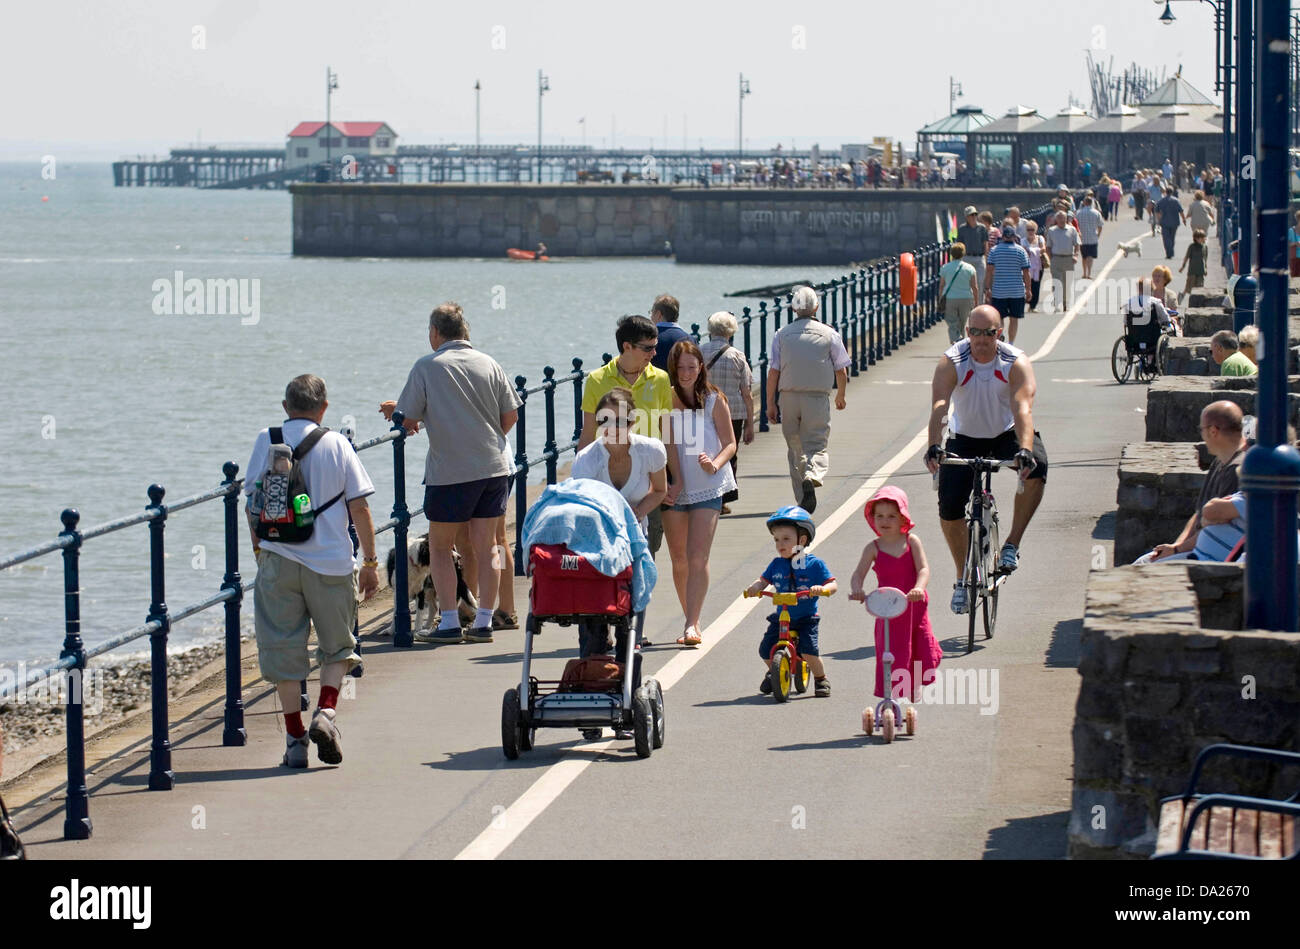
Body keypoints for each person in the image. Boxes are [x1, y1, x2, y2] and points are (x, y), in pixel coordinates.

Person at [246, 374, 380, 768]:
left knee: (284, 650)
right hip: (331, 563)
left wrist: (260, 551)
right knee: (338, 646)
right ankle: (325, 713)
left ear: (286, 407)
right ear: (324, 408)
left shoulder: (266, 440)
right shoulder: (337, 443)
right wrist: (370, 563)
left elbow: (251, 504)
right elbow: (360, 508)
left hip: (278, 561)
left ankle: (293, 741)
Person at [385, 302, 521, 645]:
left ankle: (448, 622)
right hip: (493, 466)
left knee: (441, 546)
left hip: (450, 472)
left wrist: (397, 414)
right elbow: (510, 417)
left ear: (435, 333)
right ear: (465, 331)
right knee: (488, 544)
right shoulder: (489, 363)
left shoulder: (427, 366)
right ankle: (485, 620)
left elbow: (409, 419)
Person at [924, 306, 1048, 614]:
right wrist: (934, 446)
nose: (981, 340)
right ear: (967, 332)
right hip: (964, 436)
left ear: (999, 334)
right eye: (975, 332)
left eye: (989, 333)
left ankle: (1011, 544)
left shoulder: (1014, 361)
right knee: (950, 507)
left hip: (1005, 432)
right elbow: (940, 404)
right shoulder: (953, 359)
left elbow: (1023, 409)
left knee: (1038, 468)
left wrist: (1025, 450)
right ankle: (962, 578)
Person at [579, 314, 676, 555]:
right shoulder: (596, 380)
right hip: (607, 476)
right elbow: (588, 432)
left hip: (650, 481)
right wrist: (577, 482)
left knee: (647, 550)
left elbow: (668, 433)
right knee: (607, 551)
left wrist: (675, 479)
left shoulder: (661, 378)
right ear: (627, 347)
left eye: (656, 347)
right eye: (648, 348)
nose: (654, 353)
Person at [662, 340, 736, 646]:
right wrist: (675, 480)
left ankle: (692, 623)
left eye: (691, 367)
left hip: (708, 485)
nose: (686, 373)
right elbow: (666, 444)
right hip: (674, 485)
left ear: (701, 367)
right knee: (678, 558)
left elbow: (729, 443)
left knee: (697, 556)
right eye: (680, 368)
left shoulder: (713, 398)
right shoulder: (665, 399)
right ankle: (689, 615)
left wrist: (715, 464)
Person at [848, 486, 941, 702]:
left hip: (914, 603)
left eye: (891, 516)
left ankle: (914, 682)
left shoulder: (911, 541)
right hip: (887, 608)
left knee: (920, 645)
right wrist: (857, 590)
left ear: (902, 517)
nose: (885, 521)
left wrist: (919, 587)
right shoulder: (873, 547)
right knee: (890, 650)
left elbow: (923, 569)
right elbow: (858, 574)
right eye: (879, 516)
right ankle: (891, 692)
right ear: (873, 519)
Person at [766, 285, 850, 513]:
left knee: (795, 447)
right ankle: (812, 475)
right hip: (816, 396)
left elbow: (773, 370)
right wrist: (840, 395)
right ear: (816, 307)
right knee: (816, 444)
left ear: (793, 308)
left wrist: (770, 403)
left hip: (788, 397)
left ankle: (802, 498)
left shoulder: (781, 334)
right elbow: (841, 368)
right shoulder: (829, 333)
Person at [1130, 402, 1247, 563]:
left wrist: (1178, 549)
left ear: (1213, 431)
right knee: (1142, 563)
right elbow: (1200, 514)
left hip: (1211, 558)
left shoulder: (1237, 470)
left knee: (1142, 569)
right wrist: (1176, 545)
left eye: (1202, 429)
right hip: (1194, 548)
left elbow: (1215, 522)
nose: (1202, 435)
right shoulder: (1220, 460)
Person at [745, 506, 836, 697]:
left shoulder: (814, 564)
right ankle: (775, 671)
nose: (780, 544)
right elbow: (763, 580)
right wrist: (755, 588)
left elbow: (832, 584)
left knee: (809, 651)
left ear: (802, 540)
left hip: (805, 618)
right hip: (782, 617)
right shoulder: (776, 563)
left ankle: (821, 678)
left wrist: (823, 589)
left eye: (786, 539)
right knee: (765, 649)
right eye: (776, 539)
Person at [698, 310, 755, 513]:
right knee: (729, 453)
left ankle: (707, 494)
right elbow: (746, 392)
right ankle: (722, 500)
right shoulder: (737, 356)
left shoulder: (699, 352)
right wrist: (751, 422)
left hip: (705, 410)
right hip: (733, 412)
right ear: (731, 332)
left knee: (706, 451)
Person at [984, 224, 1031, 345]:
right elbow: (1026, 273)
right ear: (1014, 237)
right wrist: (1028, 290)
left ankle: (1001, 340)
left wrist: (987, 288)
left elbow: (989, 271)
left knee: (999, 318)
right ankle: (1011, 343)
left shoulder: (994, 251)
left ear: (1003, 237)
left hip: (999, 291)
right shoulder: (1021, 251)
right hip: (1017, 291)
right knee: (1014, 319)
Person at [938, 241, 980, 343]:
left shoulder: (945, 268)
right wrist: (976, 302)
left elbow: (941, 285)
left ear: (951, 253)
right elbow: (974, 287)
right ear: (963, 253)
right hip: (966, 298)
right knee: (962, 322)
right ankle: (961, 344)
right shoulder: (970, 268)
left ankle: (956, 341)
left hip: (950, 298)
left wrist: (940, 299)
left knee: (952, 323)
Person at [1045, 210, 1080, 313]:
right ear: (1056, 219)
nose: (1061, 220)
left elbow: (1077, 244)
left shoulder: (1072, 230)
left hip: (1069, 259)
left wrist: (1076, 255)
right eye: (1059, 218)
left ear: (1066, 218)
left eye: (1063, 218)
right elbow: (1048, 246)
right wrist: (1050, 258)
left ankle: (1065, 303)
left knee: (1067, 282)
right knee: (1057, 282)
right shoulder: (1051, 230)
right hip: (1056, 258)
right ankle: (1056, 302)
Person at [649, 293, 691, 372]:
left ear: (658, 314)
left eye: (651, 312)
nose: (650, 317)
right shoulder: (690, 339)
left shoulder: (648, 338)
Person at [956, 206, 988, 298]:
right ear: (967, 217)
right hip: (966, 258)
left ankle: (979, 305)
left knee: (980, 282)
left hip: (979, 258)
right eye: (971, 215)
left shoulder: (982, 228)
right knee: (966, 283)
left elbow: (985, 243)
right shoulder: (962, 229)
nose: (974, 216)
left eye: (975, 214)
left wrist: (985, 258)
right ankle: (968, 305)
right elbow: (959, 244)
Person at [1021, 219, 1048, 313]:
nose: (1030, 231)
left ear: (1035, 230)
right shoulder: (1023, 241)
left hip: (1038, 265)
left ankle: (1033, 306)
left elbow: (1043, 248)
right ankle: (1025, 302)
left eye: (1032, 229)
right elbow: (1023, 250)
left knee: (1036, 285)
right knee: (1027, 284)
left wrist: (1032, 251)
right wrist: (1036, 251)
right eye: (1028, 229)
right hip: (1026, 266)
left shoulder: (1040, 238)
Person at [1075, 195, 1104, 281]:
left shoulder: (1079, 213)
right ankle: (1089, 273)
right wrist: (1098, 234)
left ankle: (1084, 273)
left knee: (1084, 256)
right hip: (1092, 237)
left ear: (1084, 203)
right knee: (1090, 256)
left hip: (1082, 238)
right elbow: (1100, 225)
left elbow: (1076, 226)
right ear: (1092, 203)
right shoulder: (1096, 213)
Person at [1155, 187, 1186, 260]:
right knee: (1172, 237)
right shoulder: (1176, 201)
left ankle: (1169, 252)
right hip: (1174, 222)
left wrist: (1159, 220)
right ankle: (1170, 251)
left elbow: (1157, 211)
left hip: (1164, 222)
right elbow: (1181, 211)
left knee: (1166, 238)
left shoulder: (1161, 201)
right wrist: (1184, 219)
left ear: (1166, 192)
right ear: (1172, 192)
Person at [1179, 229, 1209, 300]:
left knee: (1200, 286)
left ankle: (1198, 300)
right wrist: (1183, 267)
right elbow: (1186, 257)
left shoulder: (1205, 247)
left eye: (1202, 237)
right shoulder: (1192, 247)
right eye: (1198, 238)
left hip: (1201, 271)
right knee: (1189, 286)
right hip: (1192, 270)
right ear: (1195, 238)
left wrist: (1206, 269)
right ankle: (1181, 296)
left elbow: (1205, 259)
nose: (1200, 239)